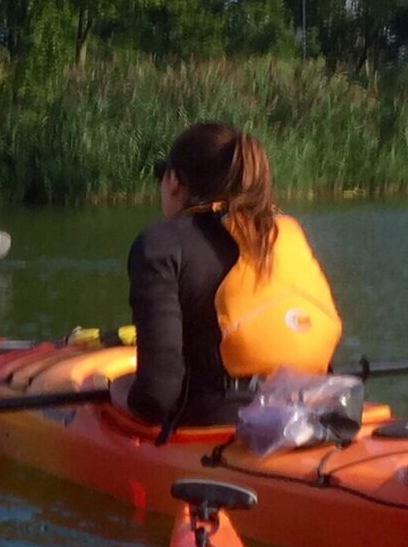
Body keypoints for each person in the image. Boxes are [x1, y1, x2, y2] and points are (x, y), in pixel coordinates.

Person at [125, 120, 343, 432]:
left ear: (174, 180)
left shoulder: (160, 243)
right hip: (314, 413)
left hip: (217, 424)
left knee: (119, 391)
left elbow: (157, 396)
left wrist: (115, 396)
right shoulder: (285, 231)